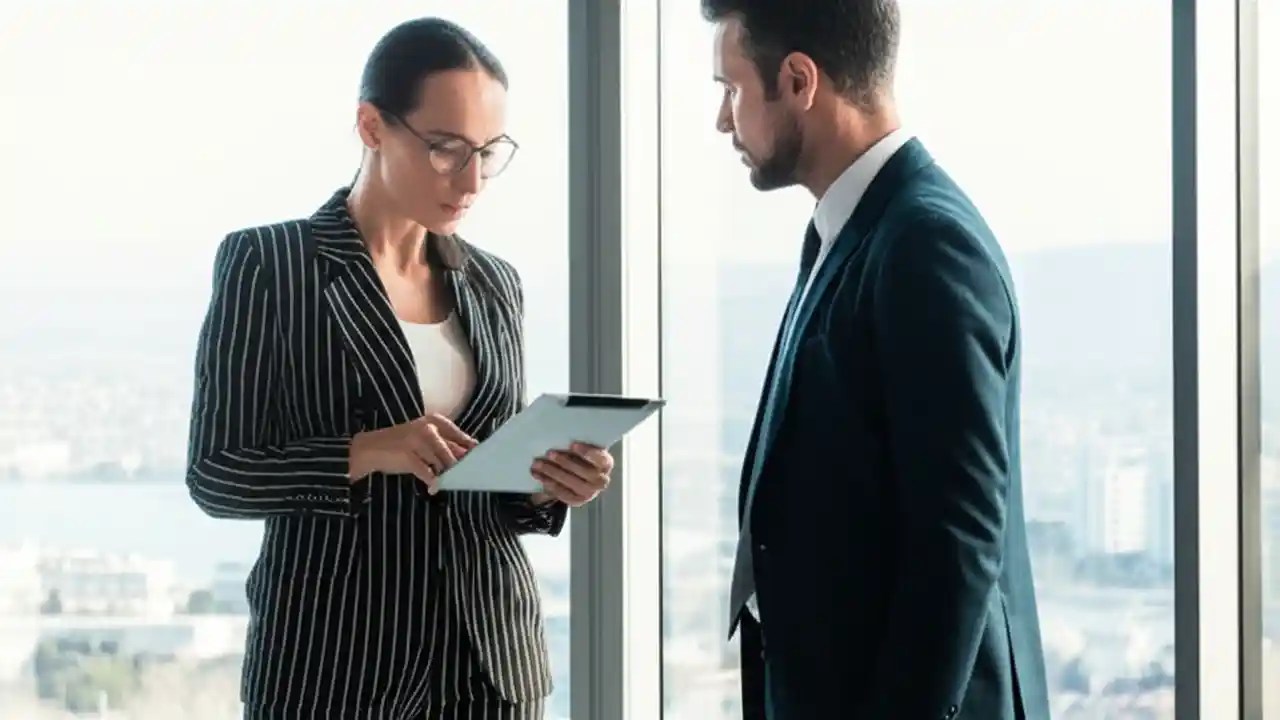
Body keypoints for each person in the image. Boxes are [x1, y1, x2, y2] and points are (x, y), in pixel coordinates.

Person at [185, 17, 612, 719]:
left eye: (489, 151)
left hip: (490, 667)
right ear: (371, 126)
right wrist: (368, 452)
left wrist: (548, 486)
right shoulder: (270, 265)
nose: (471, 179)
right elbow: (216, 474)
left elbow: (486, 489)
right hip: (333, 669)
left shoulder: (494, 284)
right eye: (446, 149)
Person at [704, 1, 1051, 718]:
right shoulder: (853, 229)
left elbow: (956, 544)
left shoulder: (925, 242)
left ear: (799, 80)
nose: (723, 121)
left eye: (730, 89)